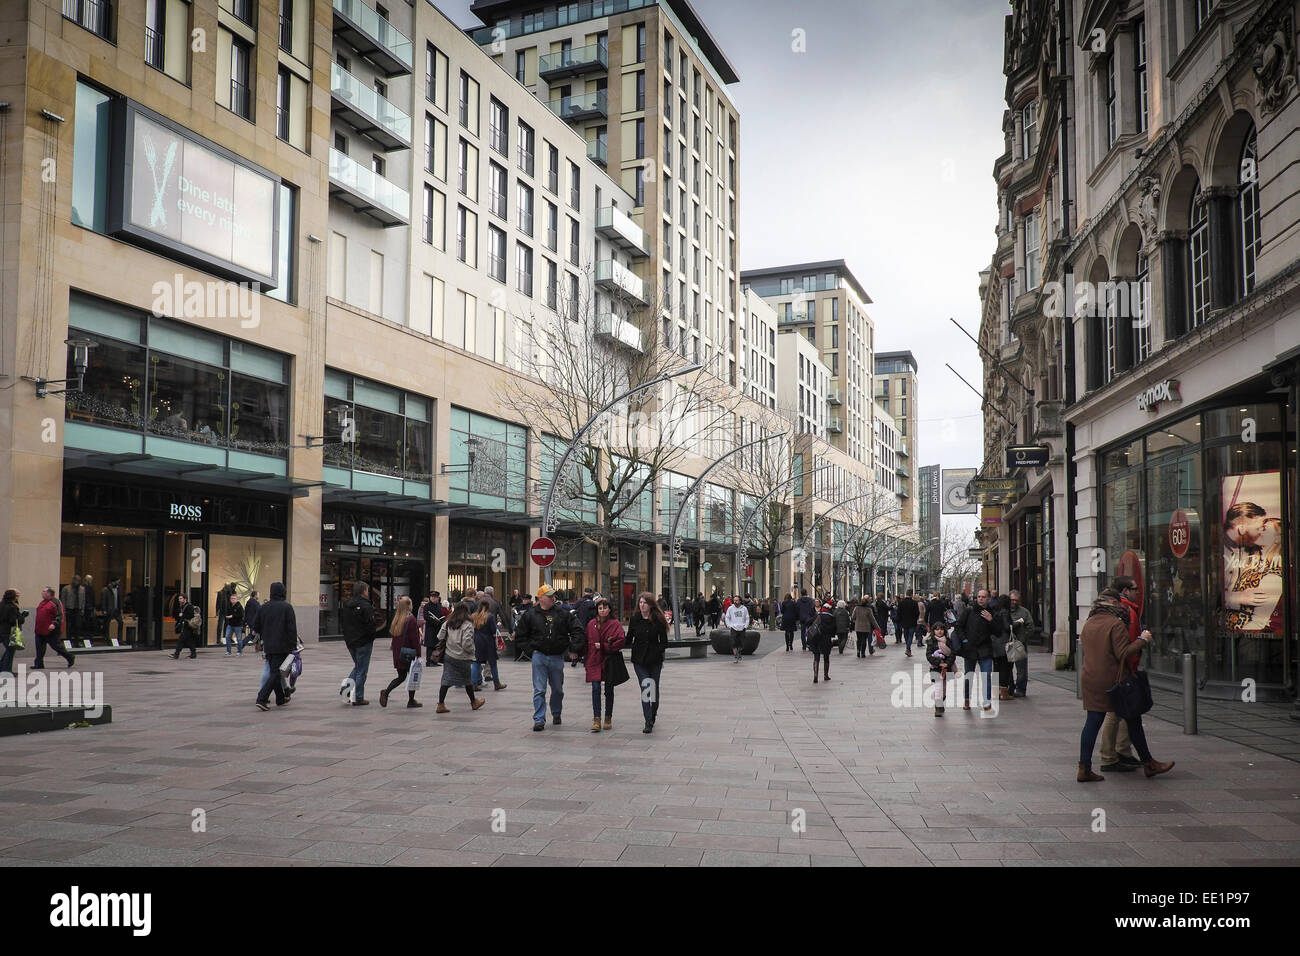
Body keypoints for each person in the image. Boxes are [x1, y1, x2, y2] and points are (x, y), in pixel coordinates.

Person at [1078, 588, 1174, 782]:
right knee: (1133, 720)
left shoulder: (1088, 623)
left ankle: (1084, 767)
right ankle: (1149, 764)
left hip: (1090, 678)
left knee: (1093, 722)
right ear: (1114, 604)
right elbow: (1123, 652)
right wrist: (1142, 640)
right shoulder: (1115, 624)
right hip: (1113, 680)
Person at [513, 583, 579, 732]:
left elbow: (576, 629)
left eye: (553, 596)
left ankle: (556, 713)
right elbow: (521, 635)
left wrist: (573, 648)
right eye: (549, 596)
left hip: (556, 657)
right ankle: (539, 719)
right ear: (541, 598)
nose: (553, 598)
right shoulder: (530, 614)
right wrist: (531, 651)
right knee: (539, 689)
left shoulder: (562, 613)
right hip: (539, 656)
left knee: (557, 689)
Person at [1099, 576, 1144, 773]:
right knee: (1115, 712)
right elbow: (1128, 643)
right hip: (1123, 669)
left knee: (1124, 712)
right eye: (1135, 589)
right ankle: (1111, 755)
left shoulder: (1111, 612)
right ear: (1125, 591)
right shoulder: (1127, 612)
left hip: (1117, 668)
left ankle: (1122, 751)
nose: (1137, 592)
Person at [435, 600, 486, 714]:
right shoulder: (468, 624)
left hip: (449, 655)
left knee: (446, 680)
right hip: (462, 657)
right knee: (467, 680)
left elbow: (440, 635)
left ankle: (441, 704)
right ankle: (474, 702)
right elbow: (467, 643)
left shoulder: (449, 622)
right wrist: (472, 651)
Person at [628, 592, 669, 734]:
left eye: (645, 602)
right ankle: (648, 720)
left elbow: (664, 642)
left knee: (654, 689)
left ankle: (653, 711)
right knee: (646, 687)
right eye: (640, 602)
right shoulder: (635, 619)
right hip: (639, 660)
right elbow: (628, 639)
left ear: (651, 605)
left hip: (654, 660)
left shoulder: (658, 620)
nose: (642, 605)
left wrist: (658, 651)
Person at [584, 597, 626, 732]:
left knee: (609, 689)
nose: (602, 611)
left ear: (609, 609)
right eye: (600, 608)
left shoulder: (615, 624)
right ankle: (596, 719)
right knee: (595, 688)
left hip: (609, 661)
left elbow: (620, 641)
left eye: (605, 608)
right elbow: (585, 641)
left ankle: (608, 717)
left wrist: (603, 646)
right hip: (594, 660)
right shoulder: (591, 624)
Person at [340, 581, 384, 706]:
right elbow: (370, 625)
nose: (368, 592)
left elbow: (343, 623)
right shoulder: (366, 606)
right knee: (362, 670)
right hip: (363, 642)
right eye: (367, 590)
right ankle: (358, 696)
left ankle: (346, 689)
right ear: (363, 591)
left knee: (358, 667)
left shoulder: (347, 605)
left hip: (351, 641)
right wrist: (371, 637)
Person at [958, 588, 1003, 712]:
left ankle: (987, 702)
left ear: (988, 599)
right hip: (970, 649)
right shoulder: (969, 611)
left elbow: (998, 632)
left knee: (987, 676)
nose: (981, 599)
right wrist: (964, 641)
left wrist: (991, 620)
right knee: (969, 676)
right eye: (979, 596)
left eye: (983, 597)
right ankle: (967, 699)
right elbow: (959, 627)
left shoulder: (992, 613)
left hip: (985, 649)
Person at [255, 582, 298, 710]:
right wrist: (293, 646)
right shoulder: (286, 607)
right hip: (283, 645)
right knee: (276, 673)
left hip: (268, 645)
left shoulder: (264, 607)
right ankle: (262, 698)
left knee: (275, 671)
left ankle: (280, 698)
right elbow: (291, 629)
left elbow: (256, 626)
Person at [379, 595, 423, 709]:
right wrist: (418, 653)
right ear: (408, 606)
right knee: (413, 676)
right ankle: (411, 700)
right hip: (409, 653)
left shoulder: (397, 619)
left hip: (399, 653)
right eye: (411, 604)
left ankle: (387, 692)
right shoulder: (411, 619)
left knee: (401, 676)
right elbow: (415, 639)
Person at [470, 599, 507, 692]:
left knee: (476, 662)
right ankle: (497, 683)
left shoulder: (473, 616)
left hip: (476, 640)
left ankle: (473, 683)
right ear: (488, 607)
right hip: (488, 641)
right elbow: (493, 630)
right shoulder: (489, 616)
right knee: (492, 663)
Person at [1004, 590, 1034, 698]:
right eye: (1012, 600)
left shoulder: (1024, 612)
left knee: (1021, 669)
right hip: (1007, 643)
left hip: (1020, 644)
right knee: (1008, 668)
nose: (1014, 602)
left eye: (1016, 600)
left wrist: (1023, 638)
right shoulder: (1004, 611)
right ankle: (1010, 688)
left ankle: (1021, 689)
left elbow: (1031, 627)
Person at [34, 587, 74, 668]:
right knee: (39, 647)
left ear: (49, 593)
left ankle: (70, 657)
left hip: (51, 630)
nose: (42, 593)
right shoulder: (42, 602)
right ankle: (39, 664)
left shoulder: (56, 602)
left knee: (56, 646)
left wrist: (54, 624)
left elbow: (60, 615)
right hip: (40, 629)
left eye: (44, 591)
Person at [926, 622, 956, 716]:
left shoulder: (948, 641)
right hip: (936, 668)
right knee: (938, 687)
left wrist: (947, 663)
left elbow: (952, 654)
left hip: (947, 668)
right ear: (933, 631)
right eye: (937, 629)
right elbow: (929, 655)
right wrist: (939, 663)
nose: (939, 631)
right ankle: (938, 707)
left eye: (941, 629)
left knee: (944, 689)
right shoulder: (931, 641)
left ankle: (939, 701)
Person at [0, 590, 27, 675]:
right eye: (16, 596)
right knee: (11, 650)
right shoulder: (12, 607)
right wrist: (22, 616)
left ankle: (3, 668)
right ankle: (6, 670)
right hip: (9, 631)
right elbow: (13, 620)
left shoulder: (1, 605)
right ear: (13, 597)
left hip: (2, 630)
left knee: (9, 650)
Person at [810, 601, 835, 683]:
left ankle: (815, 675)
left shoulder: (818, 616)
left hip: (816, 638)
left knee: (816, 657)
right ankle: (825, 675)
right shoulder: (831, 618)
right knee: (826, 657)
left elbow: (811, 624)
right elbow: (834, 629)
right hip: (826, 639)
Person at [170, 593, 200, 659]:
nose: (179, 600)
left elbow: (190, 616)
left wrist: (182, 615)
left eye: (181, 599)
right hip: (185, 625)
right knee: (189, 640)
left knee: (181, 640)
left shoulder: (189, 606)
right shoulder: (182, 606)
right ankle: (193, 653)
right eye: (179, 599)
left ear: (185, 599)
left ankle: (176, 654)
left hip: (188, 626)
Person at [421, 591, 446, 666]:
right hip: (430, 627)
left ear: (438, 598)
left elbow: (440, 614)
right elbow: (426, 616)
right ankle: (429, 661)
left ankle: (435, 660)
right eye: (432, 597)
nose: (433, 598)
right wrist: (434, 621)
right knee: (430, 645)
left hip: (437, 627)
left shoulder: (439, 605)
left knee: (436, 644)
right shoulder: (427, 606)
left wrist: (441, 620)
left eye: (435, 597)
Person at [723, 594, 749, 662]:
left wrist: (745, 626)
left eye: (737, 600)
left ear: (740, 601)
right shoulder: (730, 608)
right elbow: (727, 617)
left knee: (742, 643)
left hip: (742, 628)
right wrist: (729, 625)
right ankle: (736, 656)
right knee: (733, 642)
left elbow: (747, 618)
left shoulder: (744, 608)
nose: (735, 601)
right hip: (733, 628)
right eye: (734, 600)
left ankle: (739, 652)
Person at [60, 575, 83, 643]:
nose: (77, 582)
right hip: (69, 609)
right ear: (73, 580)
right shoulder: (66, 588)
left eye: (79, 580)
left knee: (77, 625)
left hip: (78, 609)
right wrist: (63, 610)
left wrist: (82, 609)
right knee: (69, 625)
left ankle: (76, 641)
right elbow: (63, 600)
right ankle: (69, 640)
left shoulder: (82, 589)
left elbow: (83, 599)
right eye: (76, 580)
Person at [898, 590, 920, 657]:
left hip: (904, 622)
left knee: (906, 635)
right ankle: (908, 648)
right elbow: (917, 613)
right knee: (911, 635)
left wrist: (901, 619)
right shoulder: (914, 603)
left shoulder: (901, 602)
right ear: (911, 594)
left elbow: (899, 612)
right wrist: (915, 619)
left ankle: (908, 647)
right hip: (912, 622)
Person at [223, 590, 246, 656]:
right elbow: (226, 613)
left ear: (236, 599)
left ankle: (239, 651)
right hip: (230, 624)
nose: (233, 600)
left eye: (234, 598)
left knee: (238, 638)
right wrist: (227, 616)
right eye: (231, 598)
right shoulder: (229, 606)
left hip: (238, 625)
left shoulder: (239, 606)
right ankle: (228, 651)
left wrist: (232, 616)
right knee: (227, 637)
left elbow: (241, 615)